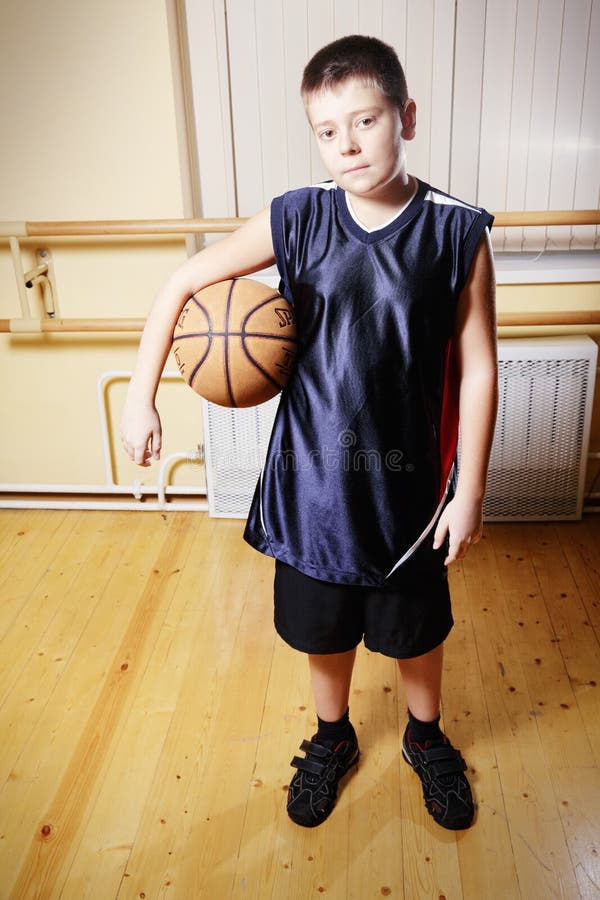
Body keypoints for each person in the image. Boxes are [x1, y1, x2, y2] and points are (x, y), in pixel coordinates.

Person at [120, 34, 497, 832]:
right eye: (328, 131)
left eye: (366, 121)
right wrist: (141, 397)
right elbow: (185, 280)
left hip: (411, 489)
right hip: (312, 485)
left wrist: (470, 492)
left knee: (415, 628)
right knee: (320, 627)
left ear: (408, 116)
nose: (348, 144)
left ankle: (425, 738)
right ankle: (334, 738)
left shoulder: (456, 232)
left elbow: (481, 366)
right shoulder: (296, 219)